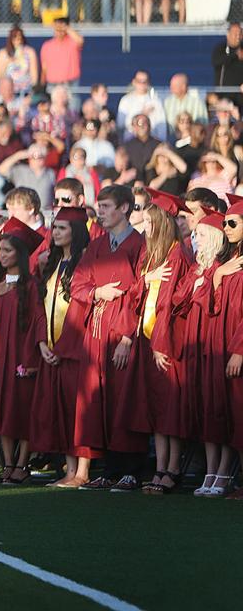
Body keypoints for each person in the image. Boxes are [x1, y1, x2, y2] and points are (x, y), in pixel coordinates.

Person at [71, 184, 149, 491]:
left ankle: (131, 468)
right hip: (97, 328)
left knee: (126, 397)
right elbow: (77, 284)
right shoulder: (96, 246)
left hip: (124, 329)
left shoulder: (139, 245)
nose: (100, 212)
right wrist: (95, 292)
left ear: (124, 208)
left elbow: (141, 293)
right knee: (100, 398)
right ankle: (109, 467)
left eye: (105, 207)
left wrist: (128, 338)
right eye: (99, 206)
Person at [0, 219, 45, 485]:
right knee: (2, 411)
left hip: (21, 357)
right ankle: (8, 464)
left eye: (8, 251)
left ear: (21, 254)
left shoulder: (31, 285)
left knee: (21, 410)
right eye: (0, 250)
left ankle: (22, 465)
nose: (2, 255)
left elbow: (38, 321)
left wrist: (31, 358)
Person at [131, 190, 195, 495]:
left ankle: (171, 470)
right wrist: (146, 279)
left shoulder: (177, 255)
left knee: (169, 408)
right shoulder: (150, 256)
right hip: (148, 340)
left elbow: (170, 305)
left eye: (149, 222)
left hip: (167, 342)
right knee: (157, 408)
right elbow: (136, 296)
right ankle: (160, 467)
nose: (145, 227)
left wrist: (160, 344)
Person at [32, 206, 95, 487]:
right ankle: (69, 471)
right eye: (54, 228)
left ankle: (82, 472)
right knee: (60, 410)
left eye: (61, 228)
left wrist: (62, 347)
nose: (55, 233)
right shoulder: (55, 264)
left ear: (76, 232)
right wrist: (42, 342)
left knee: (77, 409)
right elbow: (42, 307)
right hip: (53, 347)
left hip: (76, 349)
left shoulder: (86, 262)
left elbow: (82, 310)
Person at [192, 208, 238, 496]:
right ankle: (212, 471)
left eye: (233, 222)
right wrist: (216, 278)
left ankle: (223, 473)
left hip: (229, 343)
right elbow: (195, 301)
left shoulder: (232, 264)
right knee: (212, 409)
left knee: (228, 410)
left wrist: (240, 350)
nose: (228, 227)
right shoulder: (220, 265)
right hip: (211, 344)